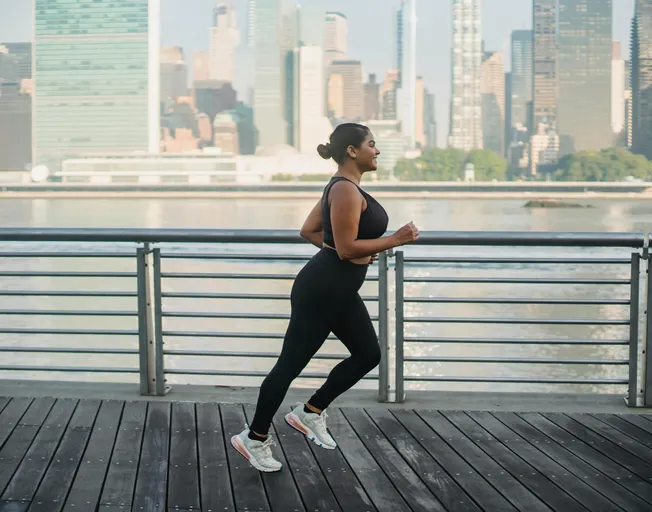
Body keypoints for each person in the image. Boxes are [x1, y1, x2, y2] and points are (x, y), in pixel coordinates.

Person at [230, 123, 420, 472]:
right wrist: (395, 239)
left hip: (338, 289)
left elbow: (311, 232)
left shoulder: (341, 186)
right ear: (352, 150)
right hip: (321, 292)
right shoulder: (345, 190)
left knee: (367, 354)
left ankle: (310, 411)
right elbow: (346, 247)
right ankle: (254, 438)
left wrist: (357, 251)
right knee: (289, 365)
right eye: (372, 145)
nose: (377, 151)